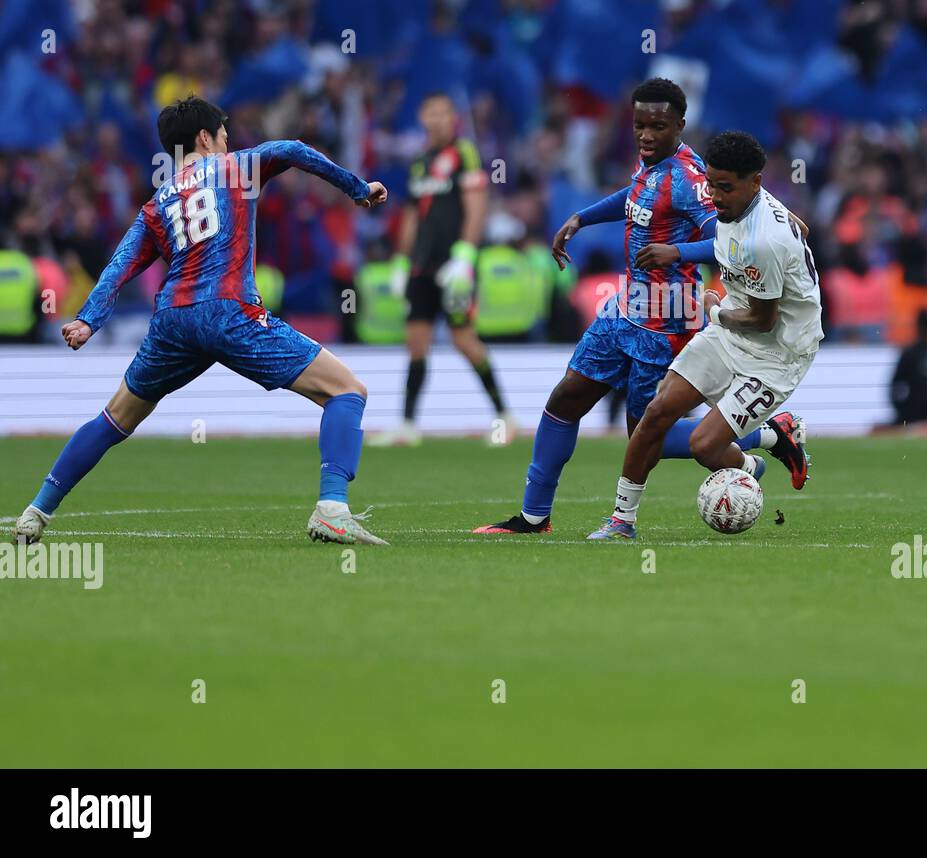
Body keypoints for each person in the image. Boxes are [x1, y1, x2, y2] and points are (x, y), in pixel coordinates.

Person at [14, 96, 390, 547]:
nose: (230, 145)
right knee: (347, 390)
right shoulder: (236, 169)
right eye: (226, 137)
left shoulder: (157, 203)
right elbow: (293, 149)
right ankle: (332, 508)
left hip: (172, 321)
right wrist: (357, 189)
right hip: (229, 311)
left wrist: (88, 320)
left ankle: (37, 511)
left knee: (115, 418)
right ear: (205, 137)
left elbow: (121, 263)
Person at [472, 81, 806, 535]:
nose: (646, 134)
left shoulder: (693, 182)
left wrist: (678, 252)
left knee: (645, 432)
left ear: (680, 127)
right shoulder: (651, 163)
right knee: (565, 399)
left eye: (657, 126)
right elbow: (634, 200)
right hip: (625, 307)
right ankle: (534, 517)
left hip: (668, 317)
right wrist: (582, 217)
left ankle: (763, 438)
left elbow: (728, 240)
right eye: (639, 125)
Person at [588, 130, 821, 541]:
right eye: (711, 183)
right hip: (732, 326)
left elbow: (762, 320)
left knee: (703, 446)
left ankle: (769, 438)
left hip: (778, 352)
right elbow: (797, 226)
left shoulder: (764, 242)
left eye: (725, 187)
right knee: (656, 414)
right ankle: (622, 521)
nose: (714, 195)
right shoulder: (748, 206)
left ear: (756, 182)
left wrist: (714, 307)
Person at [372, 93, 514, 446]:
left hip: (453, 265)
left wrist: (465, 255)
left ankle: (505, 417)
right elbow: (410, 214)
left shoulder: (463, 153)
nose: (437, 119)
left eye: (443, 113)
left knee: (463, 339)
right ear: (421, 117)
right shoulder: (419, 162)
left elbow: (476, 203)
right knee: (415, 342)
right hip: (422, 265)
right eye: (431, 113)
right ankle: (407, 424)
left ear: (454, 118)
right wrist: (402, 259)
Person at [886, 309, 927, 429]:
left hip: (912, 417)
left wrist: (902, 411)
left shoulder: (910, 353)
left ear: (917, 327)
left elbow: (895, 387)